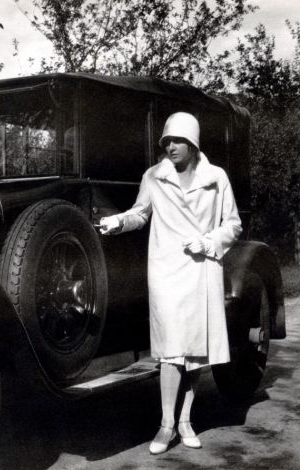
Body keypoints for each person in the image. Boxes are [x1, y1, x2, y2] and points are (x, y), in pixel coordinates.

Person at [98, 112, 242, 455]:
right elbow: (141, 213)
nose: (171, 147)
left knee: (194, 350)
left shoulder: (216, 177)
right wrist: (118, 222)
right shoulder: (154, 176)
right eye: (166, 141)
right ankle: (165, 425)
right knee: (170, 350)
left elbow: (233, 225)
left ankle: (185, 421)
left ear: (193, 144)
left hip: (202, 267)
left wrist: (208, 243)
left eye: (178, 141)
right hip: (165, 269)